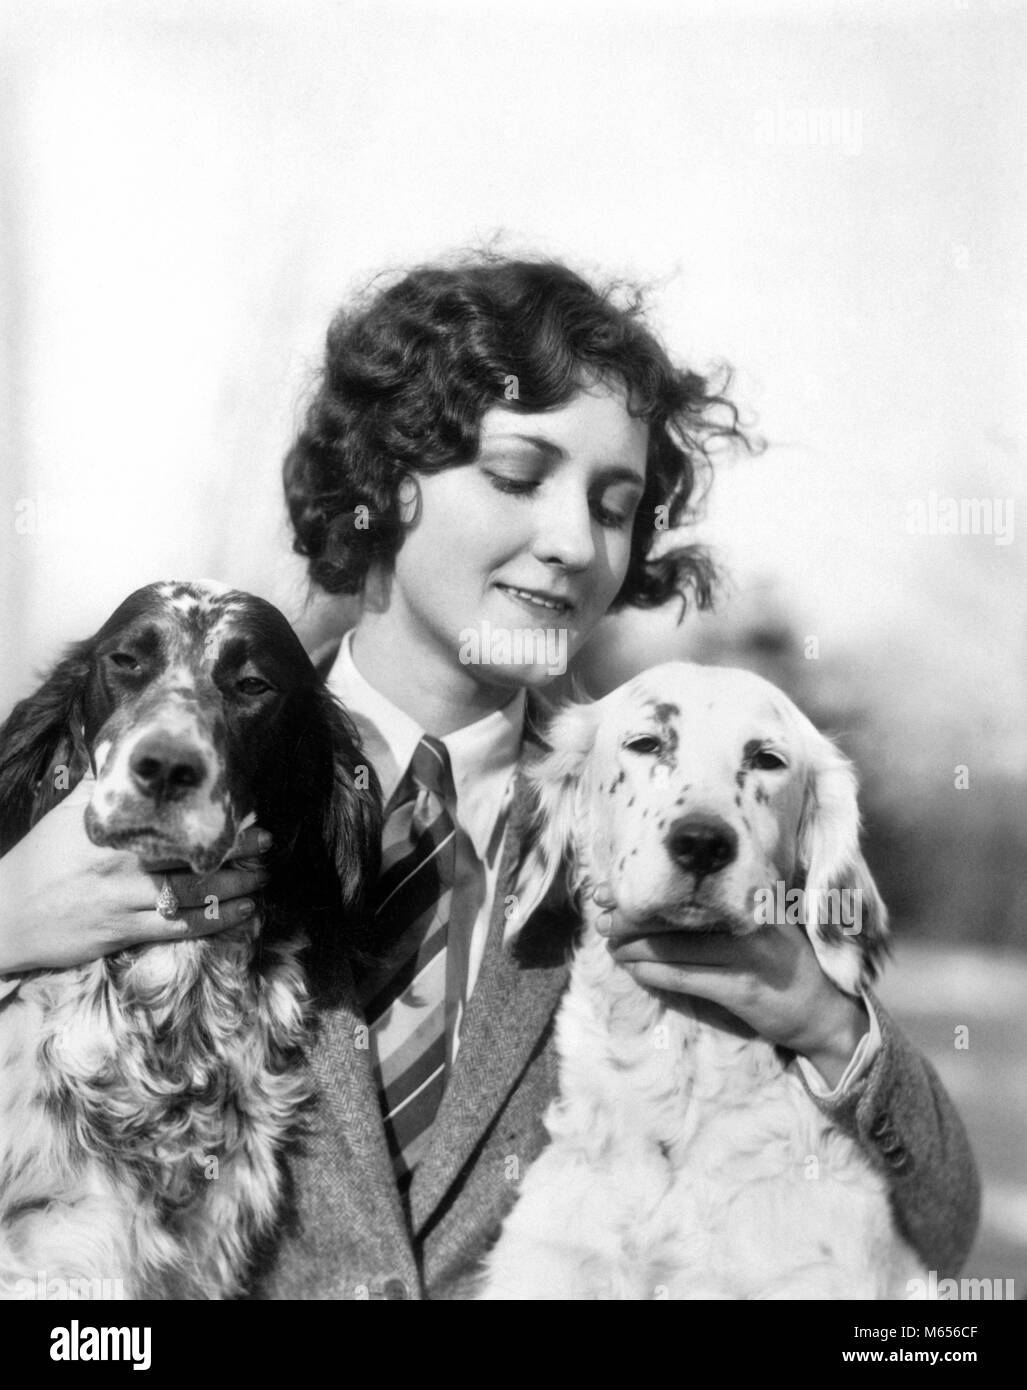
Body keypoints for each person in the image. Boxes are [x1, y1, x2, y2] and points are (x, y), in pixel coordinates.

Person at [0, 255, 979, 1300]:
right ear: (382, 483)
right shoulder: (155, 770)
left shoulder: (638, 825)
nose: (570, 543)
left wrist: (825, 1025)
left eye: (614, 506)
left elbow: (943, 1225)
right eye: (518, 478)